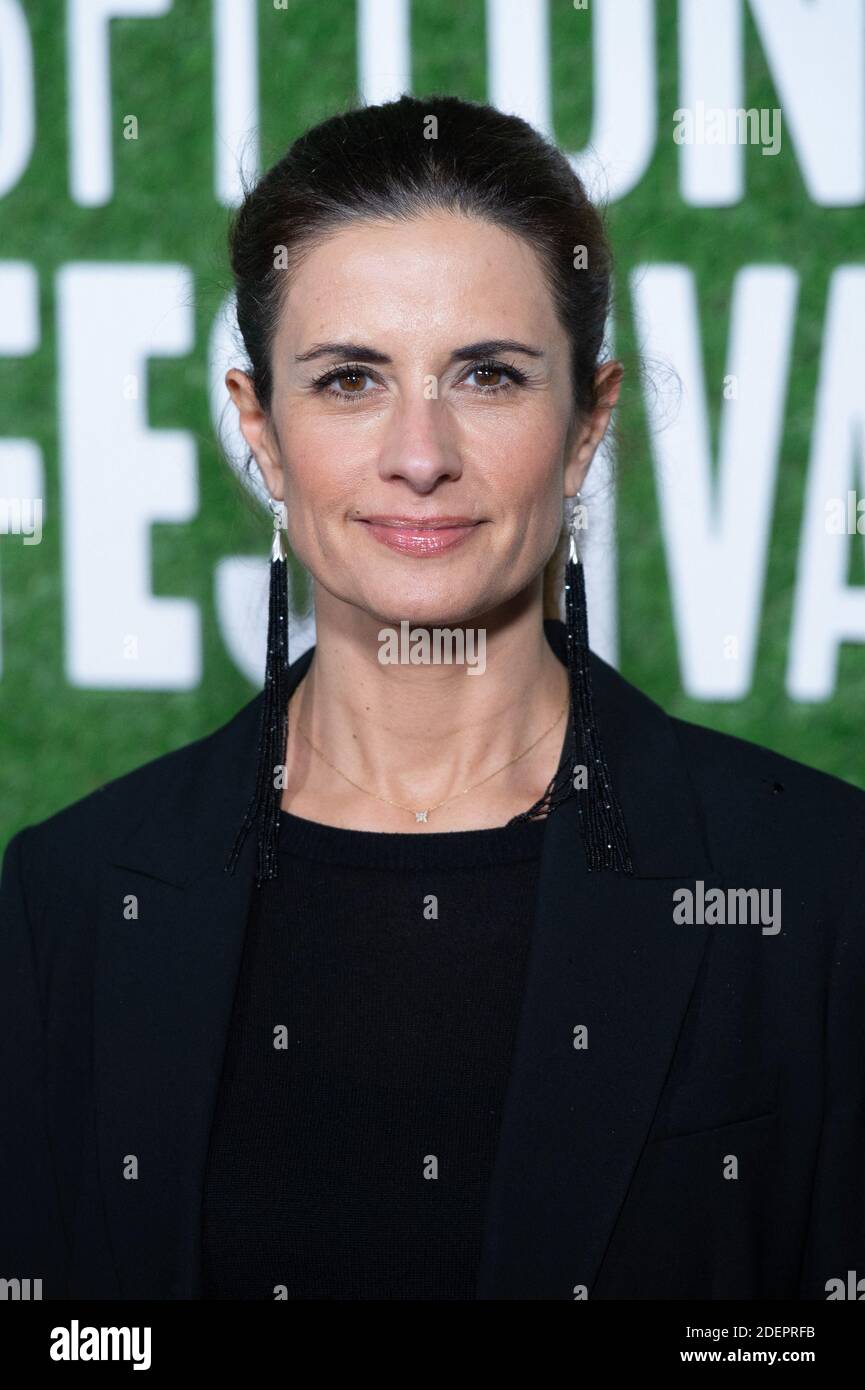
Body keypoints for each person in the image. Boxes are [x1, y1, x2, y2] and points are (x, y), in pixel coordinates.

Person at [2, 93, 864, 1302]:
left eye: (490, 376)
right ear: (261, 427)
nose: (420, 451)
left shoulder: (819, 881)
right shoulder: (75, 896)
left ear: (584, 425)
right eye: (350, 379)